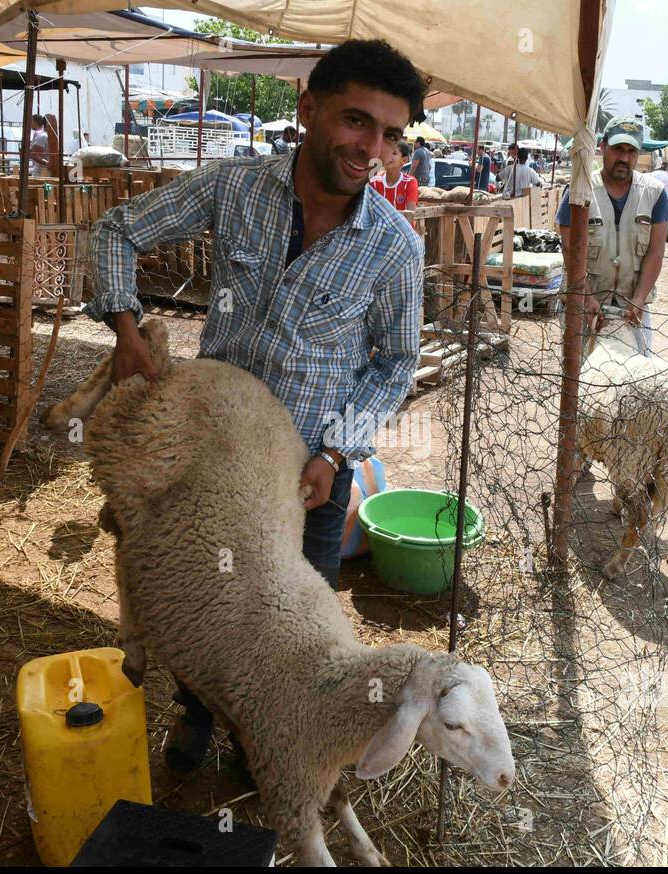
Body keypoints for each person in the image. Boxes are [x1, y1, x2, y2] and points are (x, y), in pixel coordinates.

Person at [87, 39, 426, 773]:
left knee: (295, 624)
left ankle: (270, 743)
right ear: (308, 109)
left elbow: (396, 364)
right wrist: (123, 328)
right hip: (210, 456)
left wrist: (337, 451)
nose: (372, 148)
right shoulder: (236, 187)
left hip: (310, 470)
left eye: (391, 134)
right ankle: (198, 711)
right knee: (204, 599)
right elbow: (116, 231)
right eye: (356, 122)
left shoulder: (394, 247)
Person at [556, 116, 668, 351]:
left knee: (637, 374)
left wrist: (638, 301)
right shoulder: (580, 189)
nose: (624, 158)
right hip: (584, 303)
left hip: (632, 306)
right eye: (618, 149)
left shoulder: (654, 194)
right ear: (603, 146)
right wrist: (586, 296)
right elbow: (569, 250)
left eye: (632, 151)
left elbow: (656, 252)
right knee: (581, 375)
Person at [370, 139, 418, 210]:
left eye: (394, 153)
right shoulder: (374, 182)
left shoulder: (409, 182)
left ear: (404, 160)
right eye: (386, 152)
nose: (388, 156)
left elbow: (410, 213)